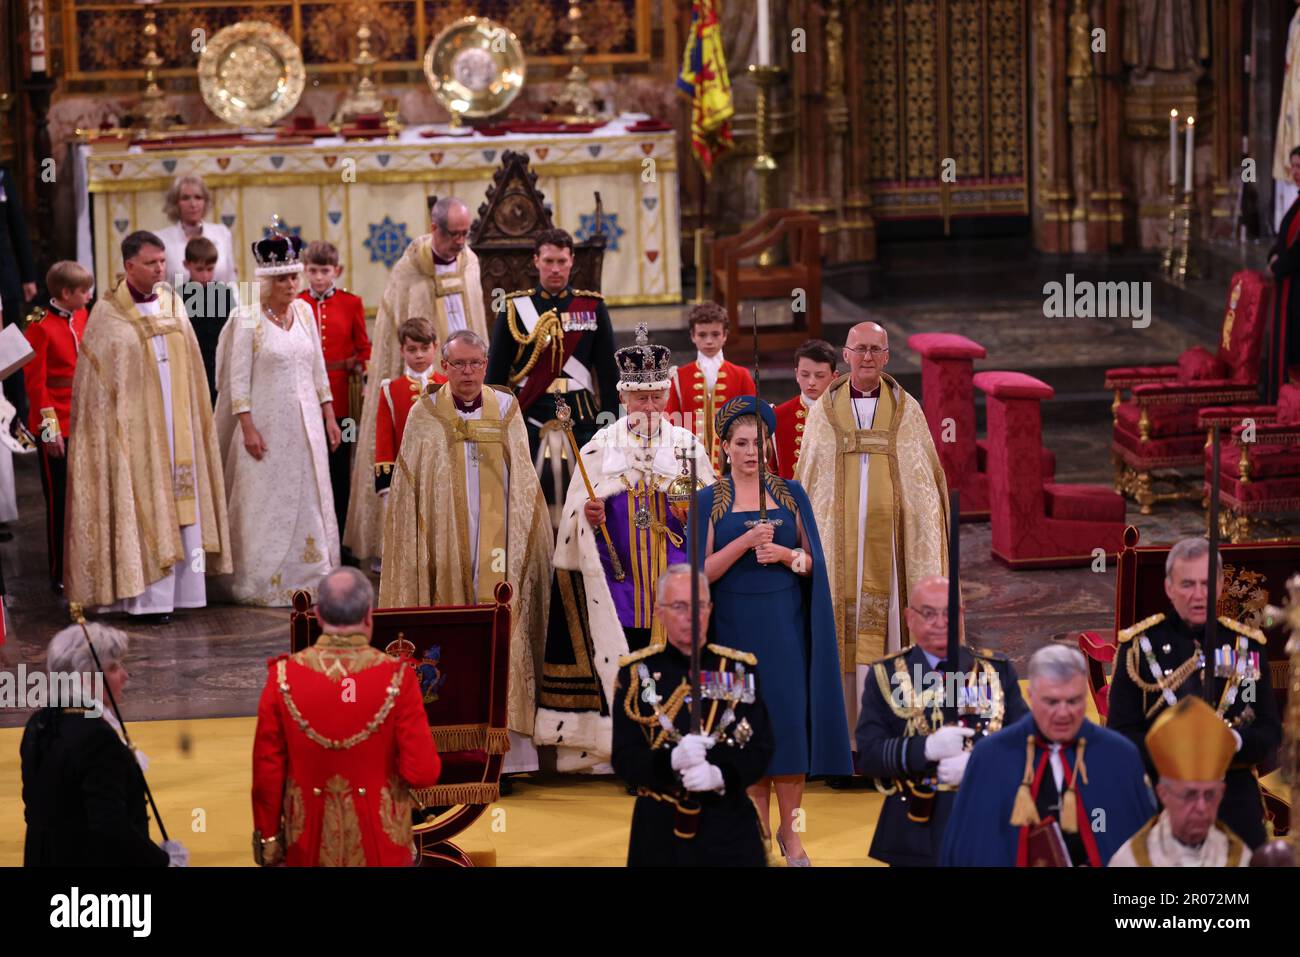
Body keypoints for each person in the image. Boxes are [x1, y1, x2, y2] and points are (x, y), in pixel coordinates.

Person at [534, 323, 713, 772]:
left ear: (667, 398)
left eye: (656, 397)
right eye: (640, 399)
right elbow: (573, 521)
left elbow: (712, 515)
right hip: (618, 587)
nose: (648, 406)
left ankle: (679, 747)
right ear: (624, 401)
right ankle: (620, 750)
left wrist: (688, 508)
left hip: (673, 583)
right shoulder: (599, 448)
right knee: (625, 662)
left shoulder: (688, 447)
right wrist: (588, 518)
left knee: (673, 661)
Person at [378, 328, 552, 773]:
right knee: (455, 643)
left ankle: (509, 759)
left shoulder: (507, 408)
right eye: (459, 364)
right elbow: (407, 494)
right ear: (445, 367)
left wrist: (521, 548)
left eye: (476, 363)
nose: (469, 372)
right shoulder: (424, 414)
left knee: (502, 640)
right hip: (446, 553)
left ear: (485, 364)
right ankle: (456, 751)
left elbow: (527, 486)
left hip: (499, 552)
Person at [696, 395, 850, 865]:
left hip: (784, 627)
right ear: (723, 447)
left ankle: (792, 831)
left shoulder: (790, 494)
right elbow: (698, 573)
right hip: (732, 631)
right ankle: (757, 825)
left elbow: (812, 564)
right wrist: (745, 542)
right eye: (740, 443)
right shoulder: (707, 500)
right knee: (743, 727)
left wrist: (784, 556)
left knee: (786, 724)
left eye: (758, 443)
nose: (749, 452)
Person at [795, 321, 949, 747]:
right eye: (859, 349)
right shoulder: (824, 410)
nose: (866, 357)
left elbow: (924, 483)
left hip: (893, 551)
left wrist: (915, 528)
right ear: (844, 354)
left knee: (894, 627)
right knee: (837, 630)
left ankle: (896, 734)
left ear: (887, 356)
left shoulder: (906, 409)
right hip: (839, 548)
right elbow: (812, 479)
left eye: (875, 350)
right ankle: (841, 740)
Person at [65, 230, 231, 622]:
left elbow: (191, 368)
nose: (161, 268)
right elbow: (98, 390)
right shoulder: (107, 314)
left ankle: (185, 594)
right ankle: (145, 599)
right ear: (128, 266)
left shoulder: (173, 303)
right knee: (141, 503)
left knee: (182, 500)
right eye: (152, 263)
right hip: (134, 436)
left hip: (178, 430)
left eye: (162, 261)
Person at [251, 567, 442, 866]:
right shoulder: (399, 678)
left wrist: (269, 840)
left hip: (307, 845)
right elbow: (423, 773)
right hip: (382, 845)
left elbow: (267, 774)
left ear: (319, 615)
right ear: (368, 615)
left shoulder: (282, 677)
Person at [1106, 537, 1280, 848]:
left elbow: (1265, 729)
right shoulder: (1140, 648)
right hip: (1161, 796)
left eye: (1206, 584)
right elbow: (1121, 735)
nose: (1198, 595)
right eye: (1187, 584)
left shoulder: (1245, 649)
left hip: (1231, 793)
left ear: (1221, 585)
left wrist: (1234, 740)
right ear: (1169, 588)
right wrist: (1173, 752)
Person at [345, 196, 487, 566]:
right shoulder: (409, 270)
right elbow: (396, 337)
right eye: (454, 234)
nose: (461, 241)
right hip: (424, 387)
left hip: (465, 379)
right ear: (433, 228)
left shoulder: (470, 262)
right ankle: (395, 545)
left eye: (465, 233)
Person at [855, 576, 1028, 866]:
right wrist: (926, 749)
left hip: (988, 824)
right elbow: (870, 755)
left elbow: (1028, 745)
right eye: (929, 613)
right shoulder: (887, 675)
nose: (940, 622)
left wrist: (980, 765)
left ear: (962, 616)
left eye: (950, 612)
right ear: (910, 618)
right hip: (916, 830)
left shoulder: (995, 671)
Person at [212, 225, 341, 606]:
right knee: (266, 499)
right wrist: (247, 427)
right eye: (283, 278)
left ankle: (314, 574)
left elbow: (317, 369)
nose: (291, 284)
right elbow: (237, 379)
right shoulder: (247, 317)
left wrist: (330, 415)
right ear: (266, 280)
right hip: (264, 426)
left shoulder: (303, 311)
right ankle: (262, 580)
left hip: (306, 428)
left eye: (293, 276)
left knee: (310, 495)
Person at [612, 565, 775, 866]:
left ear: (710, 609)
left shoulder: (738, 671)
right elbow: (623, 759)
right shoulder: (637, 673)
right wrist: (668, 762)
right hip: (659, 830)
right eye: (679, 606)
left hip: (728, 827)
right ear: (659, 612)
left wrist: (721, 775)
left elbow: (761, 749)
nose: (692, 615)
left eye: (699, 606)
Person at [940, 645, 1156, 866]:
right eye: (1051, 702)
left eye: (1073, 701)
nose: (1063, 713)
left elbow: (1137, 848)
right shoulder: (991, 757)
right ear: (1031, 696)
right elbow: (970, 850)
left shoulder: (1118, 756)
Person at [21, 622, 187, 866]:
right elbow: (111, 828)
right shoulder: (96, 738)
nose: (125, 675)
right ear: (87, 678)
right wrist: (163, 862)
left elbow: (36, 812)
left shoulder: (39, 723)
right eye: (113, 667)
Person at [485, 228, 619, 467]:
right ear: (536, 261)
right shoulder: (512, 307)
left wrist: (612, 425)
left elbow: (609, 374)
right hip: (528, 408)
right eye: (548, 261)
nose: (555, 268)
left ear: (572, 262)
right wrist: (492, 421)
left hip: (581, 411)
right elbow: (496, 373)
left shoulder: (592, 306)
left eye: (561, 261)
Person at [1110, 696, 1252, 867]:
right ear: (1163, 794)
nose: (1201, 808)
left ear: (1221, 792)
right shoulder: (1131, 861)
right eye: (1189, 795)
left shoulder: (1241, 858)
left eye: (1210, 795)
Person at [24, 261, 94, 592]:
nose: (89, 296)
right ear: (66, 294)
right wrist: (50, 431)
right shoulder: (38, 324)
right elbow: (36, 387)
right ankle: (59, 572)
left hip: (85, 419)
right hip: (58, 425)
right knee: (60, 500)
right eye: (84, 291)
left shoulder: (82, 314)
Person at [297, 240, 371, 541]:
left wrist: (365, 378)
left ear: (336, 271)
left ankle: (343, 540)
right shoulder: (297, 303)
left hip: (344, 400)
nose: (318, 277)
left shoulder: (351, 303)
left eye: (324, 270)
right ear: (304, 271)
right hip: (307, 398)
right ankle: (314, 538)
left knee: (342, 469)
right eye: (312, 270)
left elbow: (364, 348)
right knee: (313, 469)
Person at [663, 302, 756, 474]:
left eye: (715, 334)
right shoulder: (679, 377)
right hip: (690, 466)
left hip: (732, 466)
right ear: (692, 336)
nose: (709, 341)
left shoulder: (741, 375)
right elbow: (672, 422)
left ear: (725, 335)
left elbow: (753, 422)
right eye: (702, 335)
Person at [373, 316, 446, 496]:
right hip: (405, 477)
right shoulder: (390, 390)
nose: (419, 354)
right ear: (402, 351)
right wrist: (386, 486)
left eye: (425, 348)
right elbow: (384, 438)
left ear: (435, 348)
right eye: (412, 349)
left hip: (444, 474)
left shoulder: (449, 385)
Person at [178, 235, 236, 405]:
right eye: (200, 269)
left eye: (210, 269)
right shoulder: (177, 297)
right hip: (192, 369)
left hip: (219, 369)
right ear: (186, 265)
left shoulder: (224, 294)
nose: (205, 275)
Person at [0, 165, 37, 428]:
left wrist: (27, 275)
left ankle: (18, 424)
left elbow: (17, 227)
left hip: (3, 279)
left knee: (10, 355)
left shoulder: (2, 174)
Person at [155, 173, 237, 287]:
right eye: (185, 198)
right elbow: (159, 287)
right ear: (175, 203)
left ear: (205, 202)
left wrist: (237, 305)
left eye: (198, 197)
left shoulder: (222, 233)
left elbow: (231, 281)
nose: (193, 204)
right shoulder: (161, 239)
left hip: (220, 302)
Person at [774, 339, 836, 479]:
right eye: (805, 375)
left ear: (834, 376)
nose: (811, 382)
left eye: (819, 376)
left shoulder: (846, 414)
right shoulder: (779, 415)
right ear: (796, 374)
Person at [1267, 144, 1300, 399]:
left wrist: (1277, 265)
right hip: (1290, 286)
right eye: (1293, 166)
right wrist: (1272, 256)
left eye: (1299, 166)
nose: (1295, 171)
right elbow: (1284, 238)